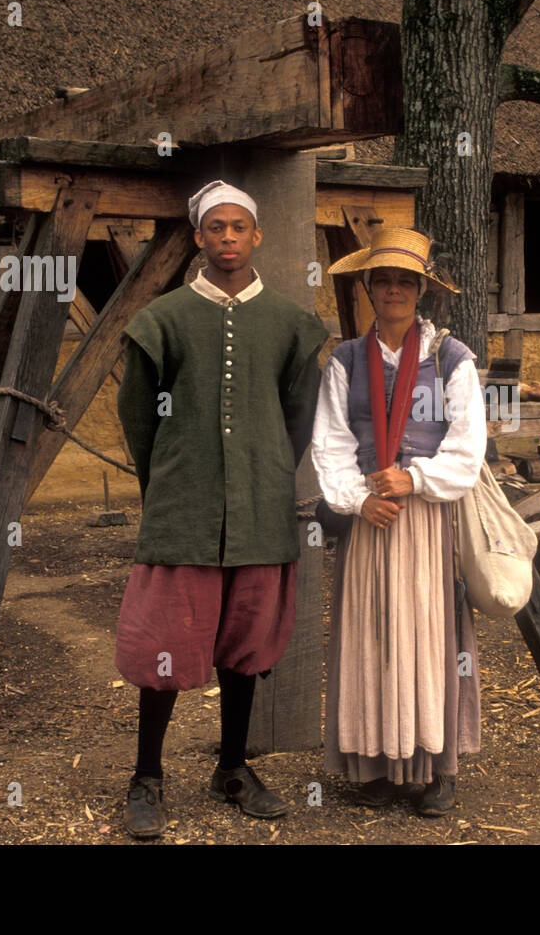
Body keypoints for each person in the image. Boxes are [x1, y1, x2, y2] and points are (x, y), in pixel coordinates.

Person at [114, 180, 327, 839]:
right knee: (166, 648)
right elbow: (138, 417)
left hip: (262, 513)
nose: (228, 238)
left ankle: (232, 767)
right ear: (200, 239)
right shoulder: (163, 320)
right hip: (183, 512)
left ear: (256, 235)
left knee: (246, 646)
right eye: (216, 229)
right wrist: (175, 483)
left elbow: (300, 416)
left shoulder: (291, 324)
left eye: (239, 227)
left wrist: (264, 474)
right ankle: (147, 777)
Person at [311, 227, 486, 816]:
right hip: (369, 516)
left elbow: (467, 448)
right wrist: (359, 500)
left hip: (426, 519)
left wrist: (413, 479)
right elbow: (331, 442)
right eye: (382, 279)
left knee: (429, 636)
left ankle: (436, 765)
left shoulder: (451, 359)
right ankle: (376, 764)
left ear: (421, 290)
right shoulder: (344, 361)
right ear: (367, 287)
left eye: (405, 281)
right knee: (374, 632)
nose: (393, 290)